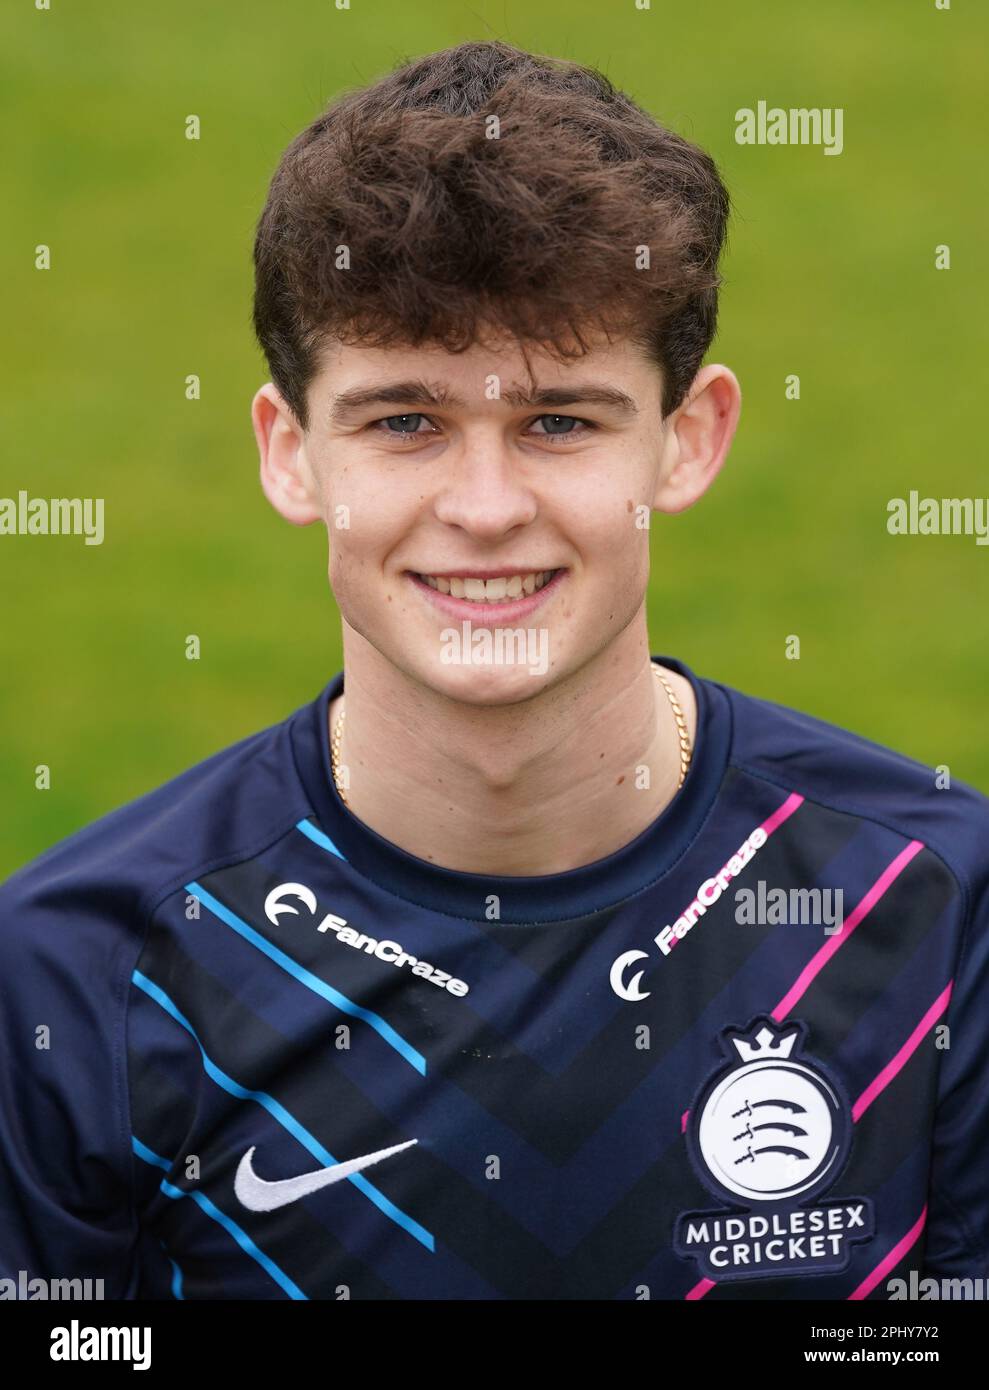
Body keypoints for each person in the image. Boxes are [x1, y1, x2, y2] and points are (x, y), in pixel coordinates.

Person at [1, 39, 986, 1303]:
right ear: (289, 453)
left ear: (687, 443)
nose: (483, 507)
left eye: (557, 420)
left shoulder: (937, 907)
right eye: (404, 421)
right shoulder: (82, 970)